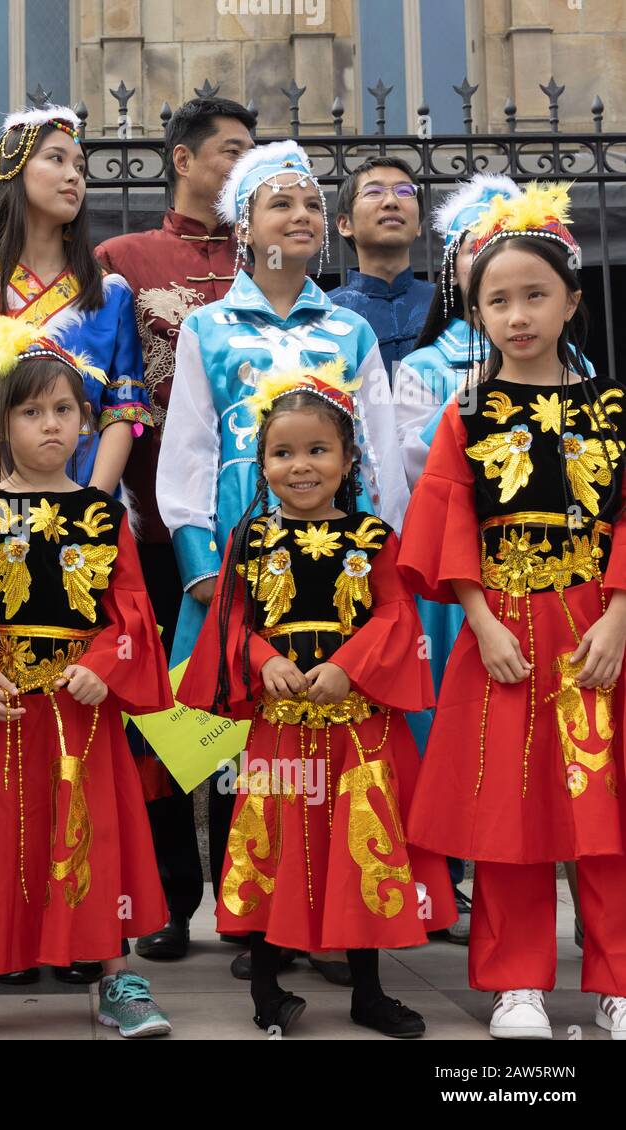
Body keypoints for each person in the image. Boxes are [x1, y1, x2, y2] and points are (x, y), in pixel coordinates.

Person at [155, 140, 410, 983]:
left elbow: (377, 453)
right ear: (244, 226)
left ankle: (335, 908)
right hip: (239, 557)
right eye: (279, 203)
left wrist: (380, 561)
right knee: (234, 732)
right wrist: (201, 560)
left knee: (336, 737)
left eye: (309, 203)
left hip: (338, 569)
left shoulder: (351, 328)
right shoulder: (207, 326)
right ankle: (255, 915)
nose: (299, 216)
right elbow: (187, 445)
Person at [400, 182, 626, 1041]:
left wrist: (617, 618)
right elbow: (447, 516)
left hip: (598, 634)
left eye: (536, 295)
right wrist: (481, 618)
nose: (518, 314)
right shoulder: (468, 412)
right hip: (504, 636)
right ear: (475, 311)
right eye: (498, 299)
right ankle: (516, 984)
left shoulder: (615, 411)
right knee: (508, 818)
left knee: (605, 823)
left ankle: (616, 979)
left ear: (572, 300)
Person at [0, 317, 172, 1039]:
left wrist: (102, 665)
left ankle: (118, 980)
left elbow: (134, 617)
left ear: (87, 421)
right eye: (30, 411)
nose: (50, 425)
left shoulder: (101, 515)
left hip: (83, 717)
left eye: (64, 410)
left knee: (97, 836)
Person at [179, 361, 455, 1037]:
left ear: (349, 457)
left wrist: (350, 667)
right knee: (275, 847)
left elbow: (395, 617)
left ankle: (368, 989)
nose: (299, 467)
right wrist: (266, 659)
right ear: (261, 461)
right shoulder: (250, 540)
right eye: (282, 453)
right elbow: (230, 625)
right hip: (280, 733)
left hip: (357, 733)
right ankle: (267, 991)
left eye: (317, 450)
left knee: (360, 850)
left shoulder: (372, 539)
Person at [94, 95, 255, 960]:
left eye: (252, 154)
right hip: (146, 526)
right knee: (153, 709)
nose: (243, 168)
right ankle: (164, 893)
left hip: (244, 526)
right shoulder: (121, 260)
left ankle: (239, 889)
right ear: (182, 159)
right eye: (229, 152)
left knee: (237, 706)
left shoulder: (266, 258)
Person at [394, 174, 522, 945]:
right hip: (458, 585)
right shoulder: (429, 370)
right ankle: (436, 879)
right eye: (481, 246)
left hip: (553, 584)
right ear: (457, 271)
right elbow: (420, 477)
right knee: (444, 732)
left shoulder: (579, 374)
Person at [0, 105, 152, 506]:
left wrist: (93, 504)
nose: (73, 176)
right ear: (14, 170)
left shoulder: (110, 293)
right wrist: (5, 494)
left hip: (89, 491)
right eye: (56, 159)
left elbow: (123, 409)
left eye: (80, 167)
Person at [328, 157, 435, 374]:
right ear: (345, 224)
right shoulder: (326, 312)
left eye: (405, 191)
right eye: (373, 192)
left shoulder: (448, 306)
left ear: (419, 226)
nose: (391, 202)